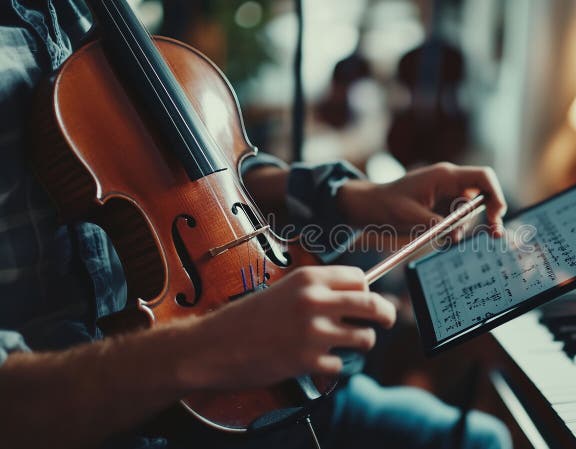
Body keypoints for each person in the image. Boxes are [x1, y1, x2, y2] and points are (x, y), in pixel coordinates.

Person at [0, 2, 511, 449]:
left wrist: (357, 198)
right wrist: (212, 345)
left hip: (238, 377)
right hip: (102, 415)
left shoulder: (77, 11)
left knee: (481, 440)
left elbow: (201, 184)